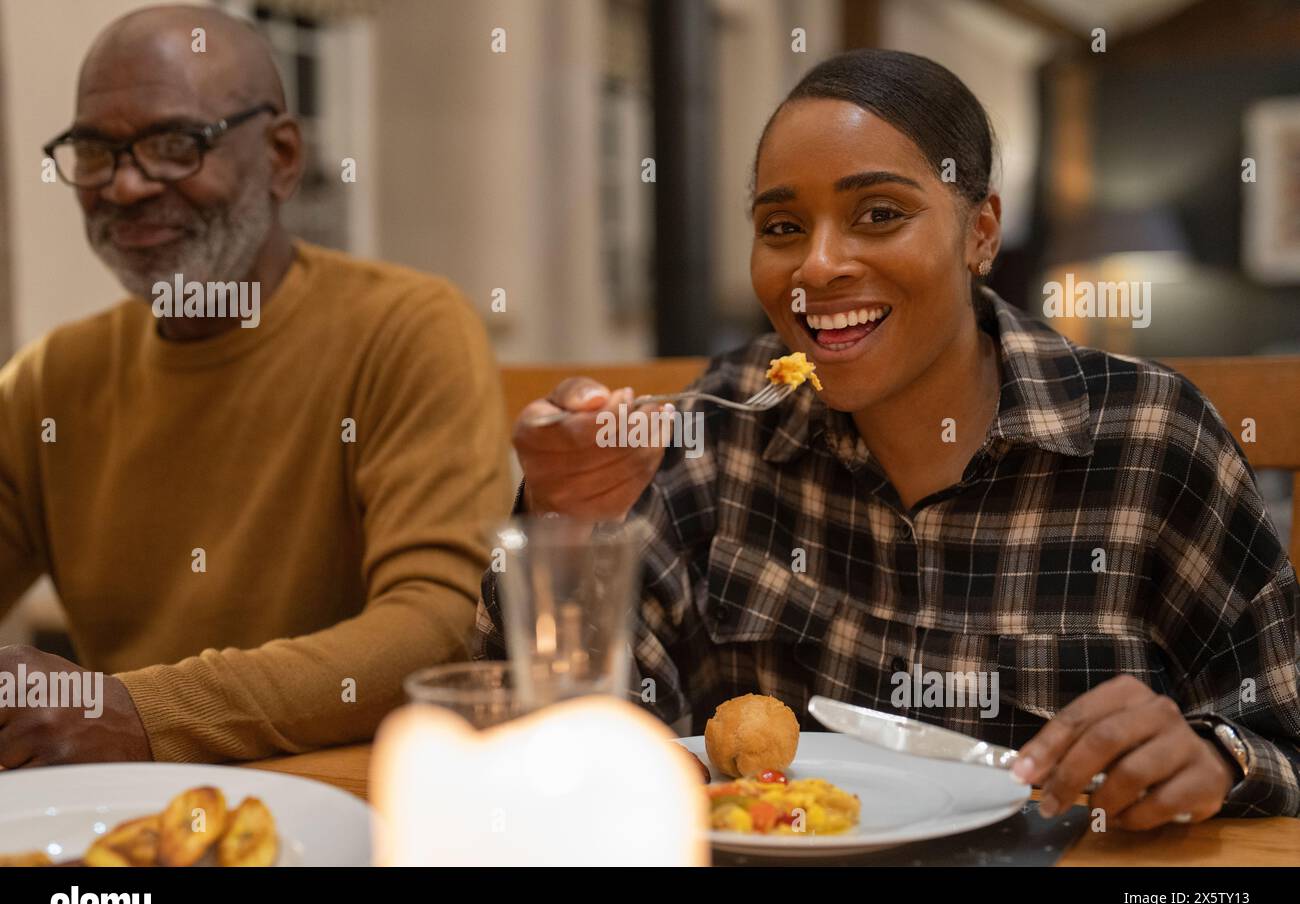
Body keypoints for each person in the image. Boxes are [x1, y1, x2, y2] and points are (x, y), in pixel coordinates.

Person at [479, 49, 1300, 826]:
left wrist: (1217, 759)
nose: (819, 266)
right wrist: (564, 527)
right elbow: (574, 734)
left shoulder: (1149, 438)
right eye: (782, 227)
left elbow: (1280, 730)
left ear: (980, 233)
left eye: (879, 214)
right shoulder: (718, 427)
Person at [0, 5, 511, 766]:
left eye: (174, 145)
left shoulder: (408, 328)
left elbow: (437, 626)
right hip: (126, 825)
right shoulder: (51, 382)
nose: (127, 185)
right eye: (95, 150)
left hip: (348, 809)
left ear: (280, 157)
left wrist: (145, 714)